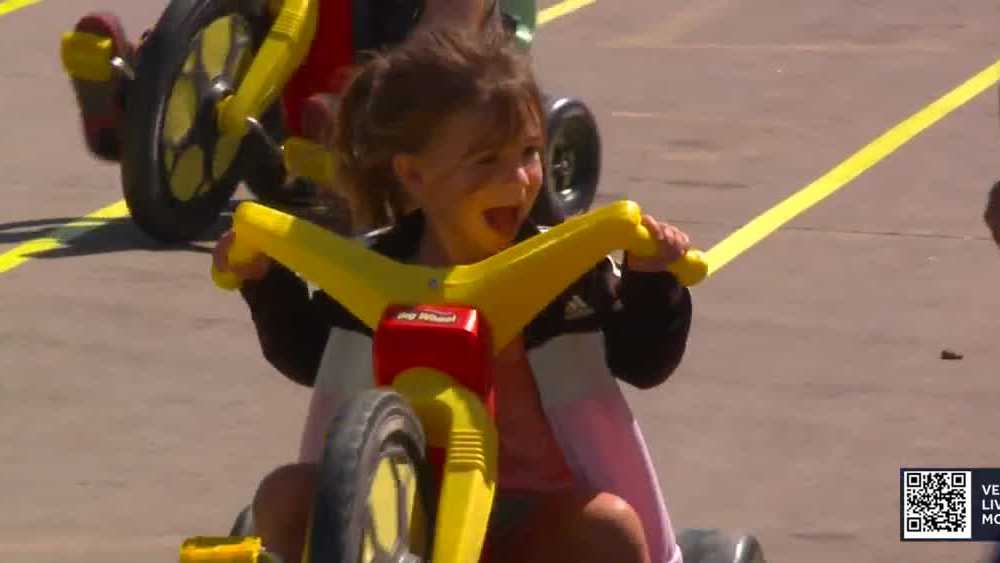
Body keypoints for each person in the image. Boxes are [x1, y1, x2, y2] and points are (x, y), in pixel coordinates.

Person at [214, 29, 694, 563]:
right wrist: (263, 279)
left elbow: (645, 360)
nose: (518, 180)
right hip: (394, 502)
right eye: (486, 161)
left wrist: (652, 278)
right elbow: (310, 355)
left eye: (530, 153)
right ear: (414, 175)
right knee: (283, 497)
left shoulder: (563, 266)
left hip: (533, 511)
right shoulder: (374, 266)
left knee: (610, 528)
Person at [66, 0, 502, 163]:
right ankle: (148, 86)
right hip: (304, 79)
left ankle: (141, 90)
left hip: (357, 71)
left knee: (446, 34)